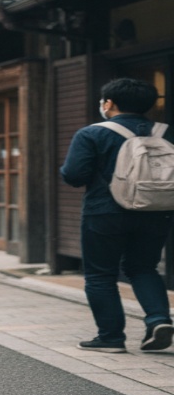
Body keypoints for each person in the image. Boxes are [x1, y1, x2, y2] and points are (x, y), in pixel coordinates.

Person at [59, 77, 174, 353]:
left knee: (100, 275)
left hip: (105, 213)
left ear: (108, 103)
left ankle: (111, 337)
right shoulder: (164, 134)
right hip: (156, 211)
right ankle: (158, 319)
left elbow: (74, 175)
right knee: (143, 267)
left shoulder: (92, 134)